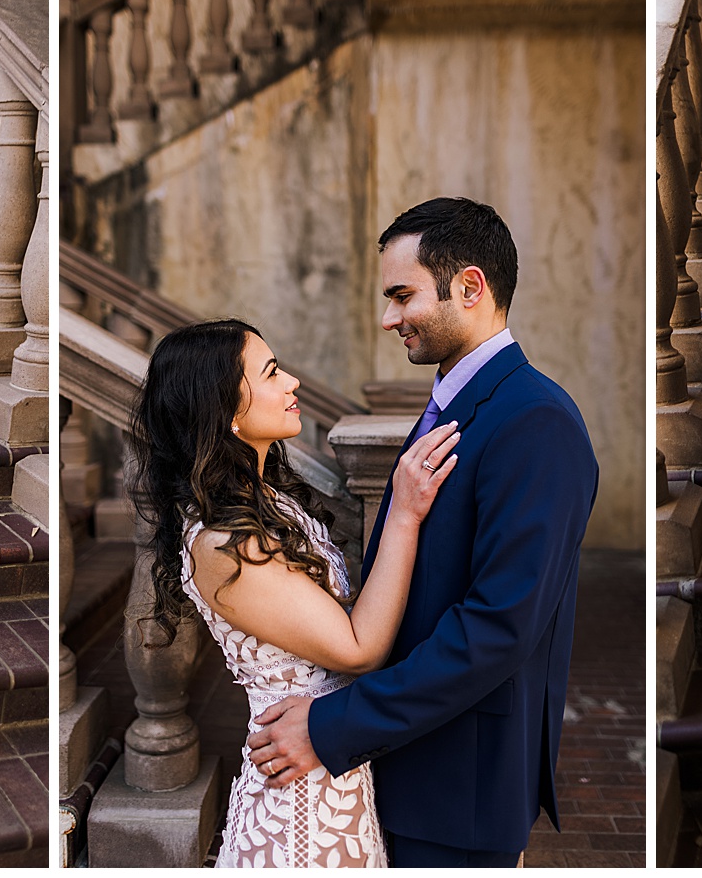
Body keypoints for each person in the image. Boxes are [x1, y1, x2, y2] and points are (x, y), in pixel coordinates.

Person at [244, 198, 599, 867]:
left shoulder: (536, 422)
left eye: (402, 296)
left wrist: (331, 728)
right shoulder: (453, 400)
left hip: (459, 788)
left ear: (471, 287)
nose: (388, 318)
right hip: (411, 766)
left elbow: (497, 629)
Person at [129, 318, 461, 868]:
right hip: (299, 804)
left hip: (328, 763)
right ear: (227, 409)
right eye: (271, 372)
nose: (292, 383)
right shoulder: (223, 542)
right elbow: (359, 647)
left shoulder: (267, 499)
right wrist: (403, 509)